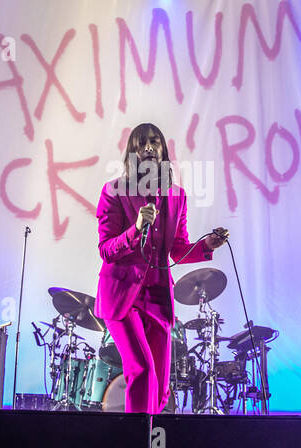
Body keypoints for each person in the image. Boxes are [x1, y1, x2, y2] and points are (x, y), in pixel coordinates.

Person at [94, 124, 228, 414]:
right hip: (121, 296)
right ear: (132, 152)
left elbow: (177, 249)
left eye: (154, 142)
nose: (149, 148)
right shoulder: (114, 191)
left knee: (161, 386)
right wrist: (136, 228)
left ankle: (150, 444)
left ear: (163, 151)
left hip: (157, 296)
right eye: (141, 143)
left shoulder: (176, 196)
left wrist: (207, 245)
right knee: (141, 371)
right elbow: (106, 249)